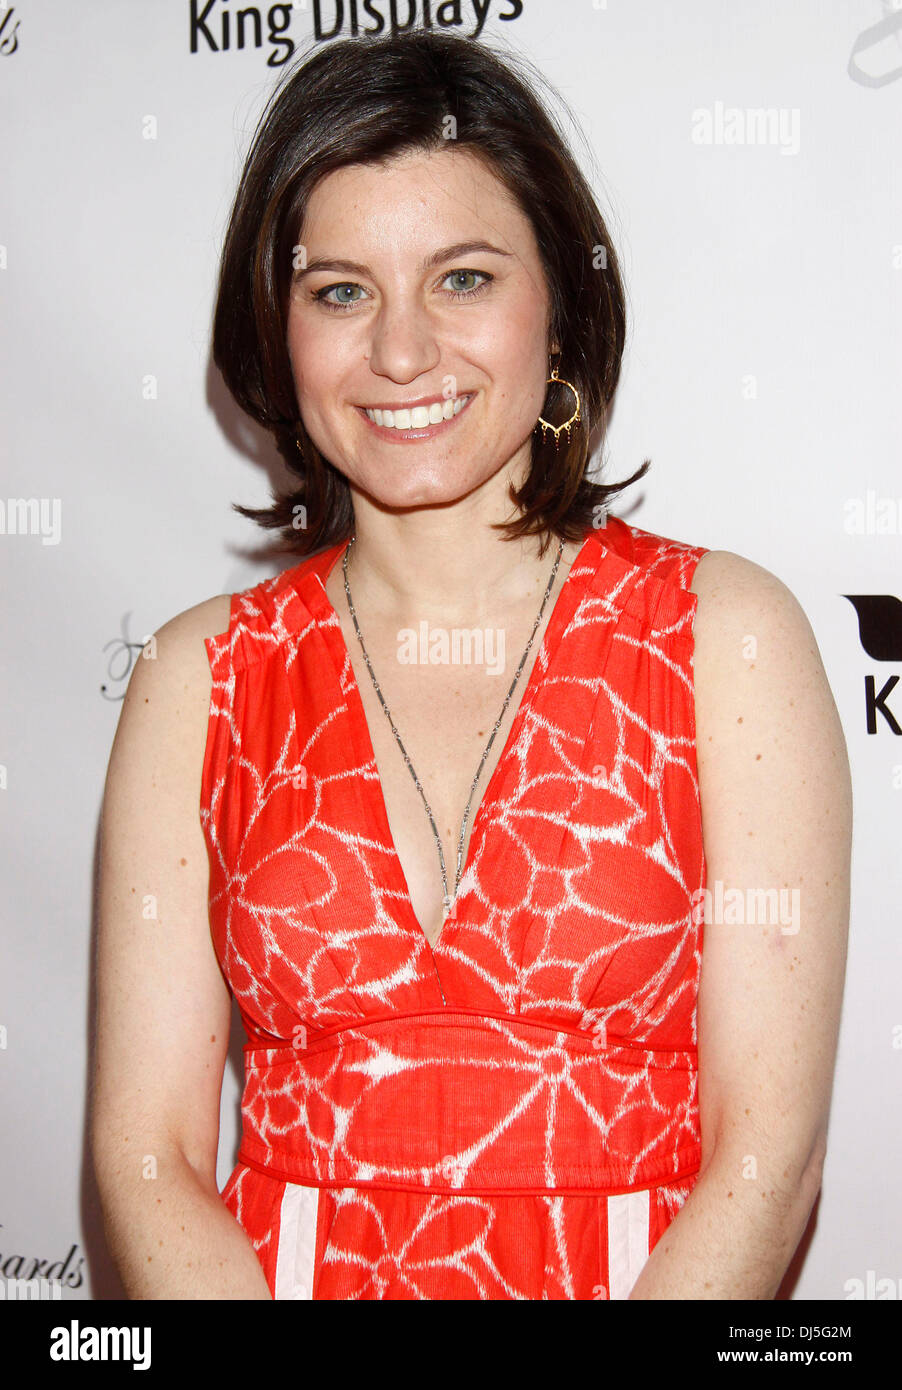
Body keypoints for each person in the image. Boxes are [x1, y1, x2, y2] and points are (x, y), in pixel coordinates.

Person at [90, 28, 852, 1300]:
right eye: (339, 290)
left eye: (461, 278)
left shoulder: (726, 637)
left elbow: (767, 1158)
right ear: (277, 333)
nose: (400, 353)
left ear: (558, 301)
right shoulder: (199, 677)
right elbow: (149, 1155)